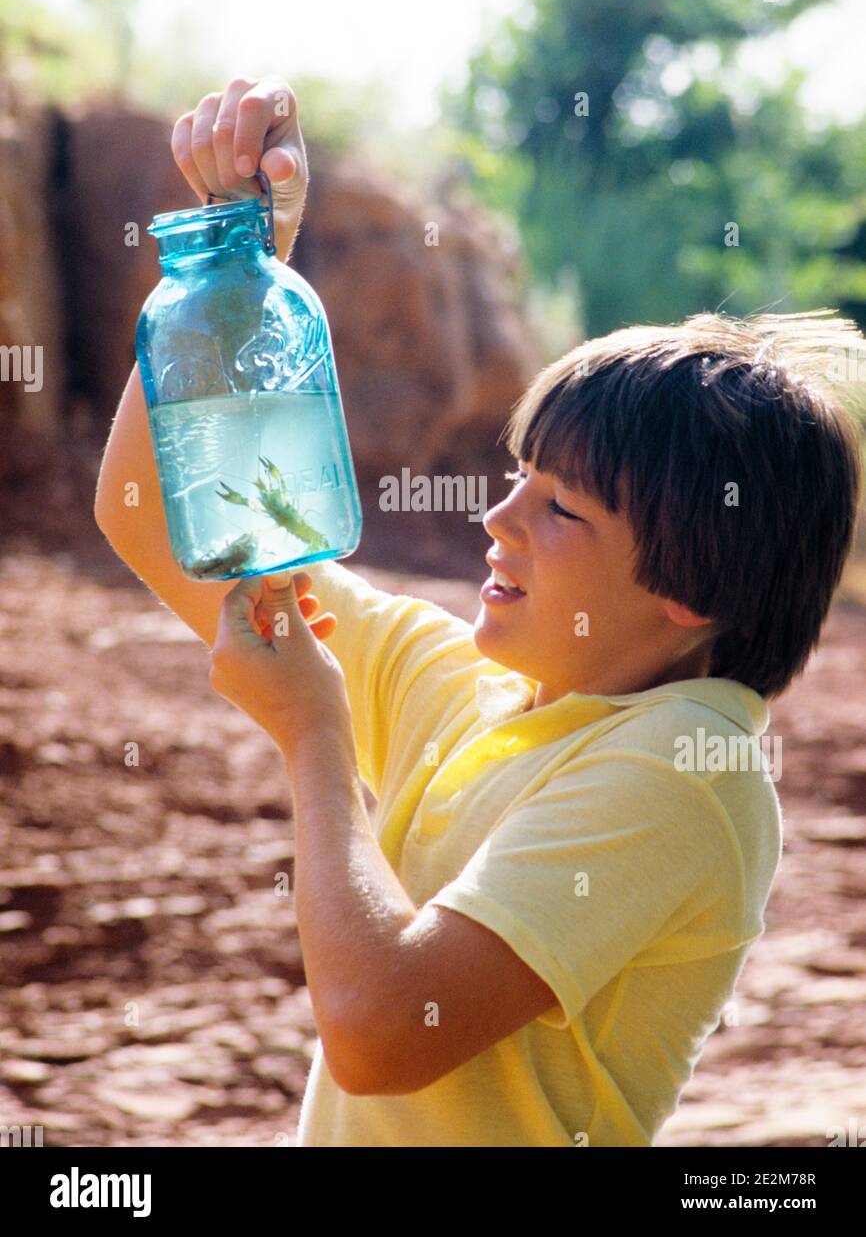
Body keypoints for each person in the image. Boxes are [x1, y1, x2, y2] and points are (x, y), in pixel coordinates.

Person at [94, 74, 865, 1147]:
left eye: (561, 511)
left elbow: (379, 1031)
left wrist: (315, 737)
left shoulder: (688, 770)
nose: (496, 518)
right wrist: (230, 266)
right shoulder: (453, 680)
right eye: (515, 478)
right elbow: (145, 513)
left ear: (690, 590)